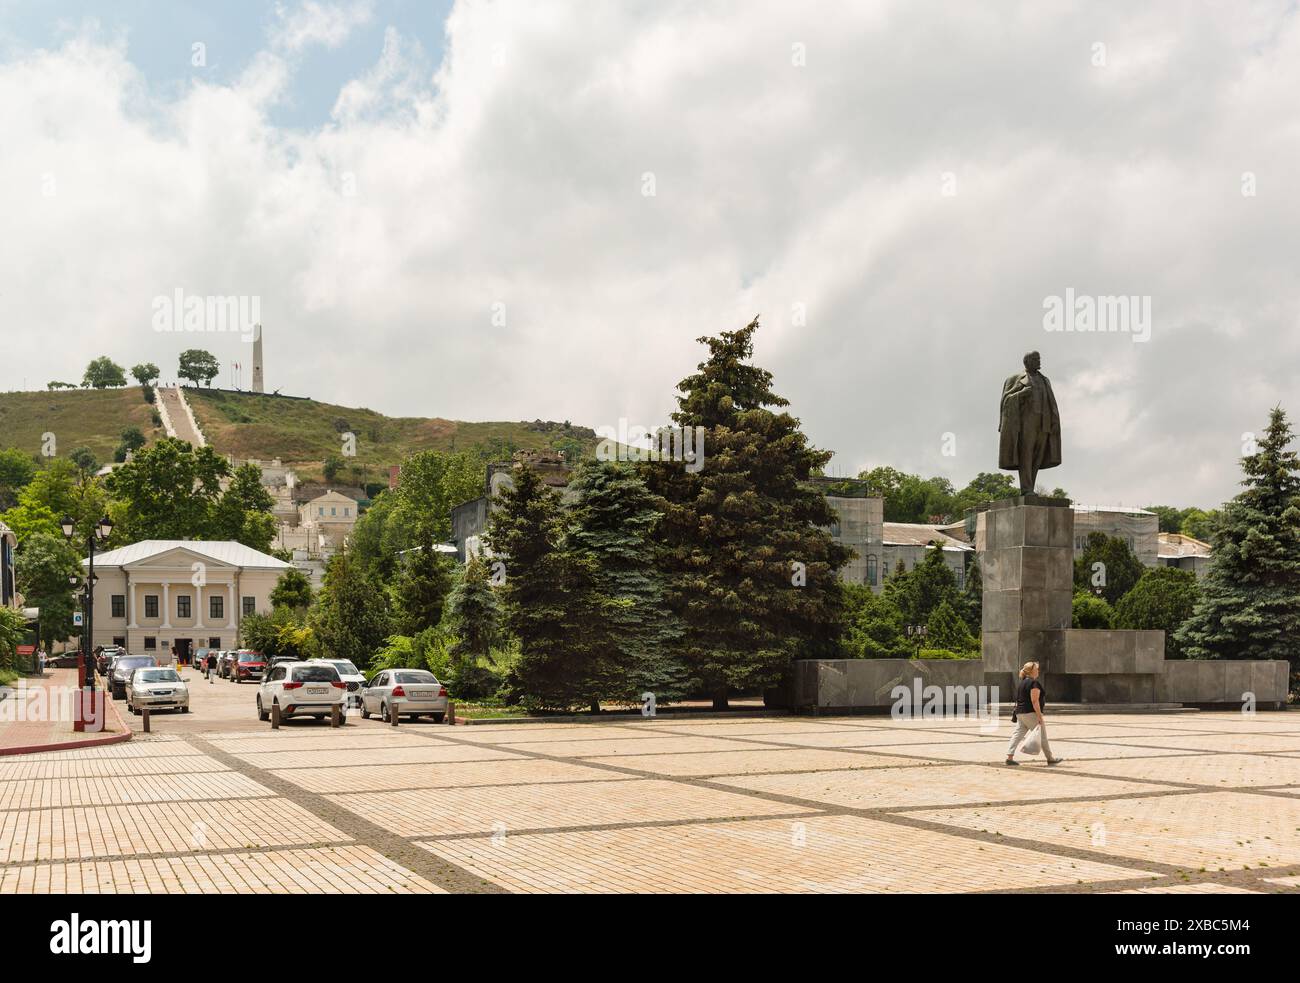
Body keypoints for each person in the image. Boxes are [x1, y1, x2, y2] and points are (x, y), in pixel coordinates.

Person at [1005, 661, 1063, 766]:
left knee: (1017, 735)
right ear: (1032, 671)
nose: (1038, 671)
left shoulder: (1022, 682)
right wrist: (1039, 716)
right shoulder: (1034, 683)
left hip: (1020, 713)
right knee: (1042, 736)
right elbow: (1034, 701)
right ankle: (1050, 758)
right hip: (1030, 713)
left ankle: (1010, 756)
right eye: (1037, 669)